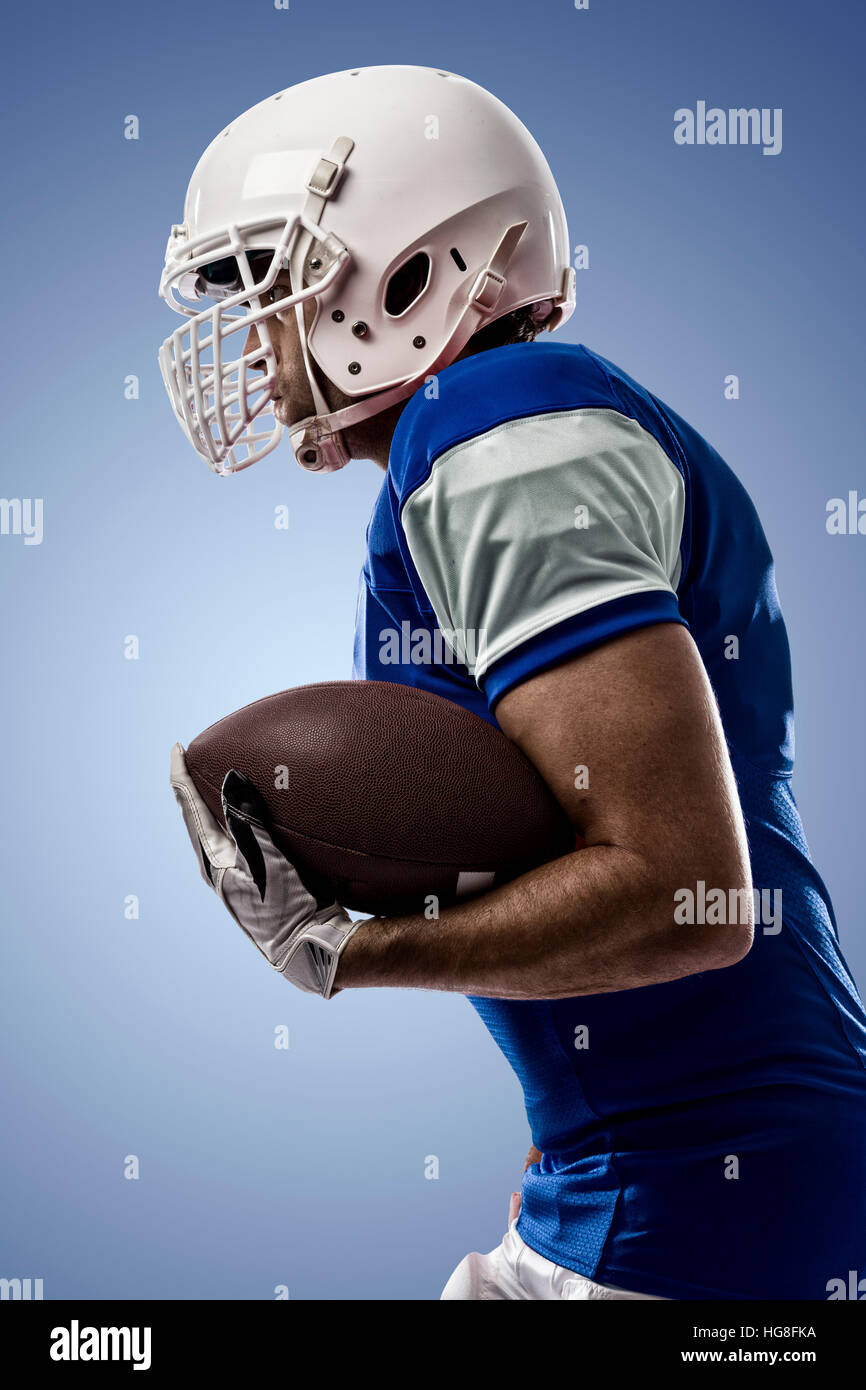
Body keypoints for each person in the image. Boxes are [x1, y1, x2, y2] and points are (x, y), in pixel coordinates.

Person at [162, 65, 866, 1300]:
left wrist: (353, 951)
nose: (253, 332)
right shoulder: (496, 431)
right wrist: (568, 1108)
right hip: (656, 1168)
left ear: (405, 275)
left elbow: (681, 890)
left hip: (708, 1195)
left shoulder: (497, 432)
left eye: (270, 280)